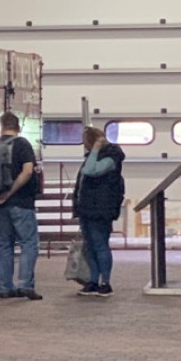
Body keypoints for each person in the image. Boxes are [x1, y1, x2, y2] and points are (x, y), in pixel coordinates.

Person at [0, 112, 41, 301]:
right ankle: (25, 285)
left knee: (4, 246)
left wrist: (1, 196)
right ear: (18, 126)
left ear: (1, 125)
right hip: (21, 203)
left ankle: (5, 287)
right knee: (29, 244)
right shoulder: (22, 144)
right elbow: (28, 171)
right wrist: (10, 193)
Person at [71, 125, 126, 297]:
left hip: (100, 209)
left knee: (100, 245)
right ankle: (93, 281)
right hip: (87, 208)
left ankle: (105, 283)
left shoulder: (111, 158)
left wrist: (94, 150)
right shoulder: (93, 157)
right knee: (89, 247)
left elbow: (90, 171)